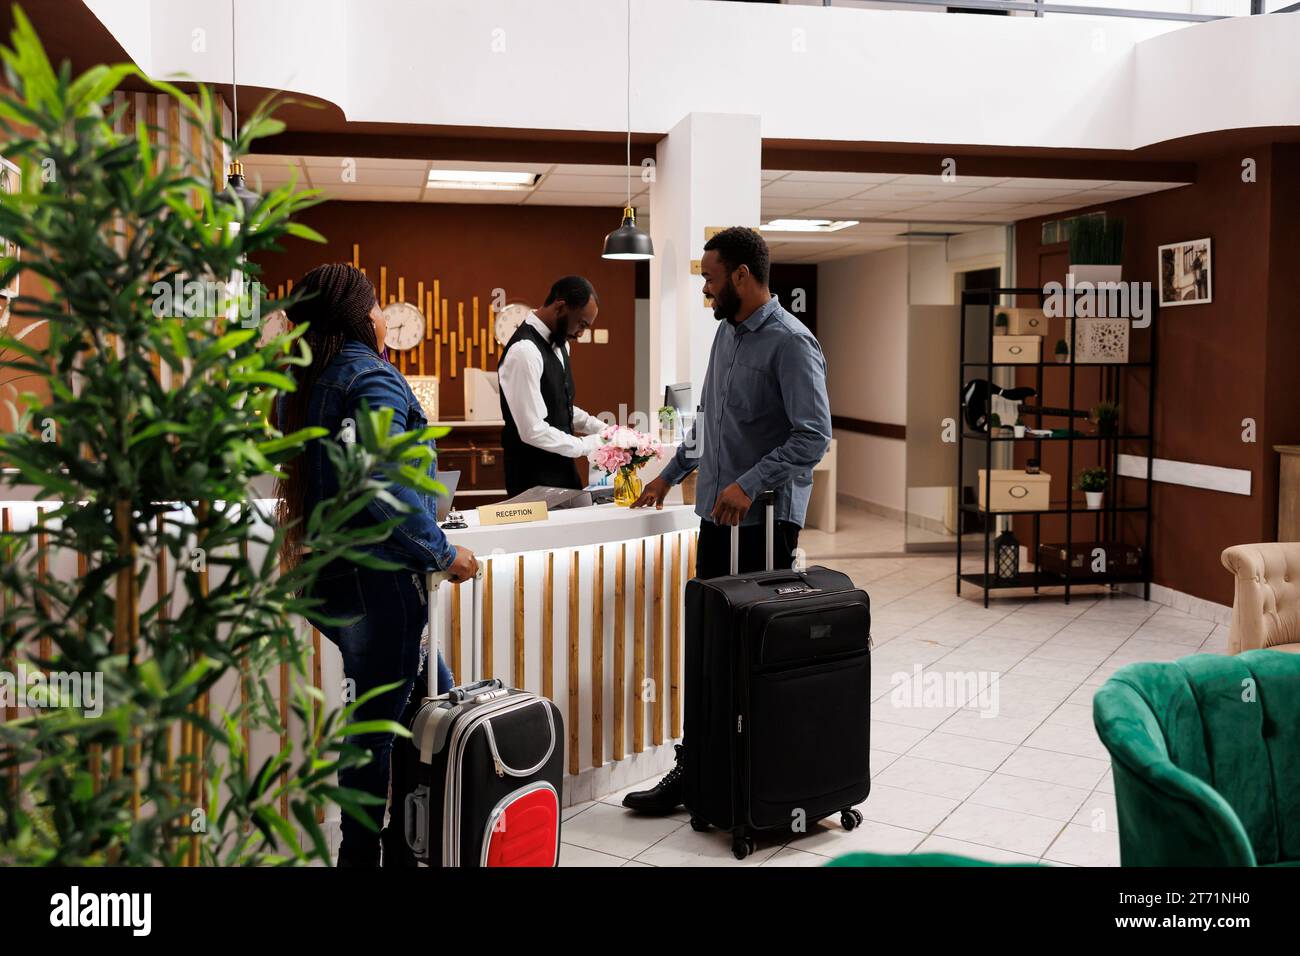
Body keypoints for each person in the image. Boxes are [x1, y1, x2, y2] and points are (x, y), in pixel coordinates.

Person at [274, 263, 479, 866]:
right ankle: (361, 857)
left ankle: (410, 840)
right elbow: (381, 486)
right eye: (378, 304)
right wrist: (444, 552)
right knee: (376, 731)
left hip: (327, 576)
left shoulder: (302, 382)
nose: (383, 314)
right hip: (378, 579)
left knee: (428, 697)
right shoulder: (372, 376)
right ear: (362, 314)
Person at [624, 226, 831, 814]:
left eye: (711, 279)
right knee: (710, 649)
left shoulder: (792, 343)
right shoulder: (727, 334)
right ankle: (699, 771)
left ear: (742, 275)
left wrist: (750, 482)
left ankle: (754, 780)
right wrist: (669, 474)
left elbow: (813, 436)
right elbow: (709, 420)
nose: (706, 291)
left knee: (749, 654)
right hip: (718, 520)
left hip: (764, 527)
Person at [497, 276, 605, 496]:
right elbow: (532, 430)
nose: (581, 333)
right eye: (581, 324)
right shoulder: (524, 351)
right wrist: (588, 444)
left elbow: (559, 406)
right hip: (531, 481)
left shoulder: (562, 344)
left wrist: (602, 429)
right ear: (560, 307)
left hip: (564, 472)